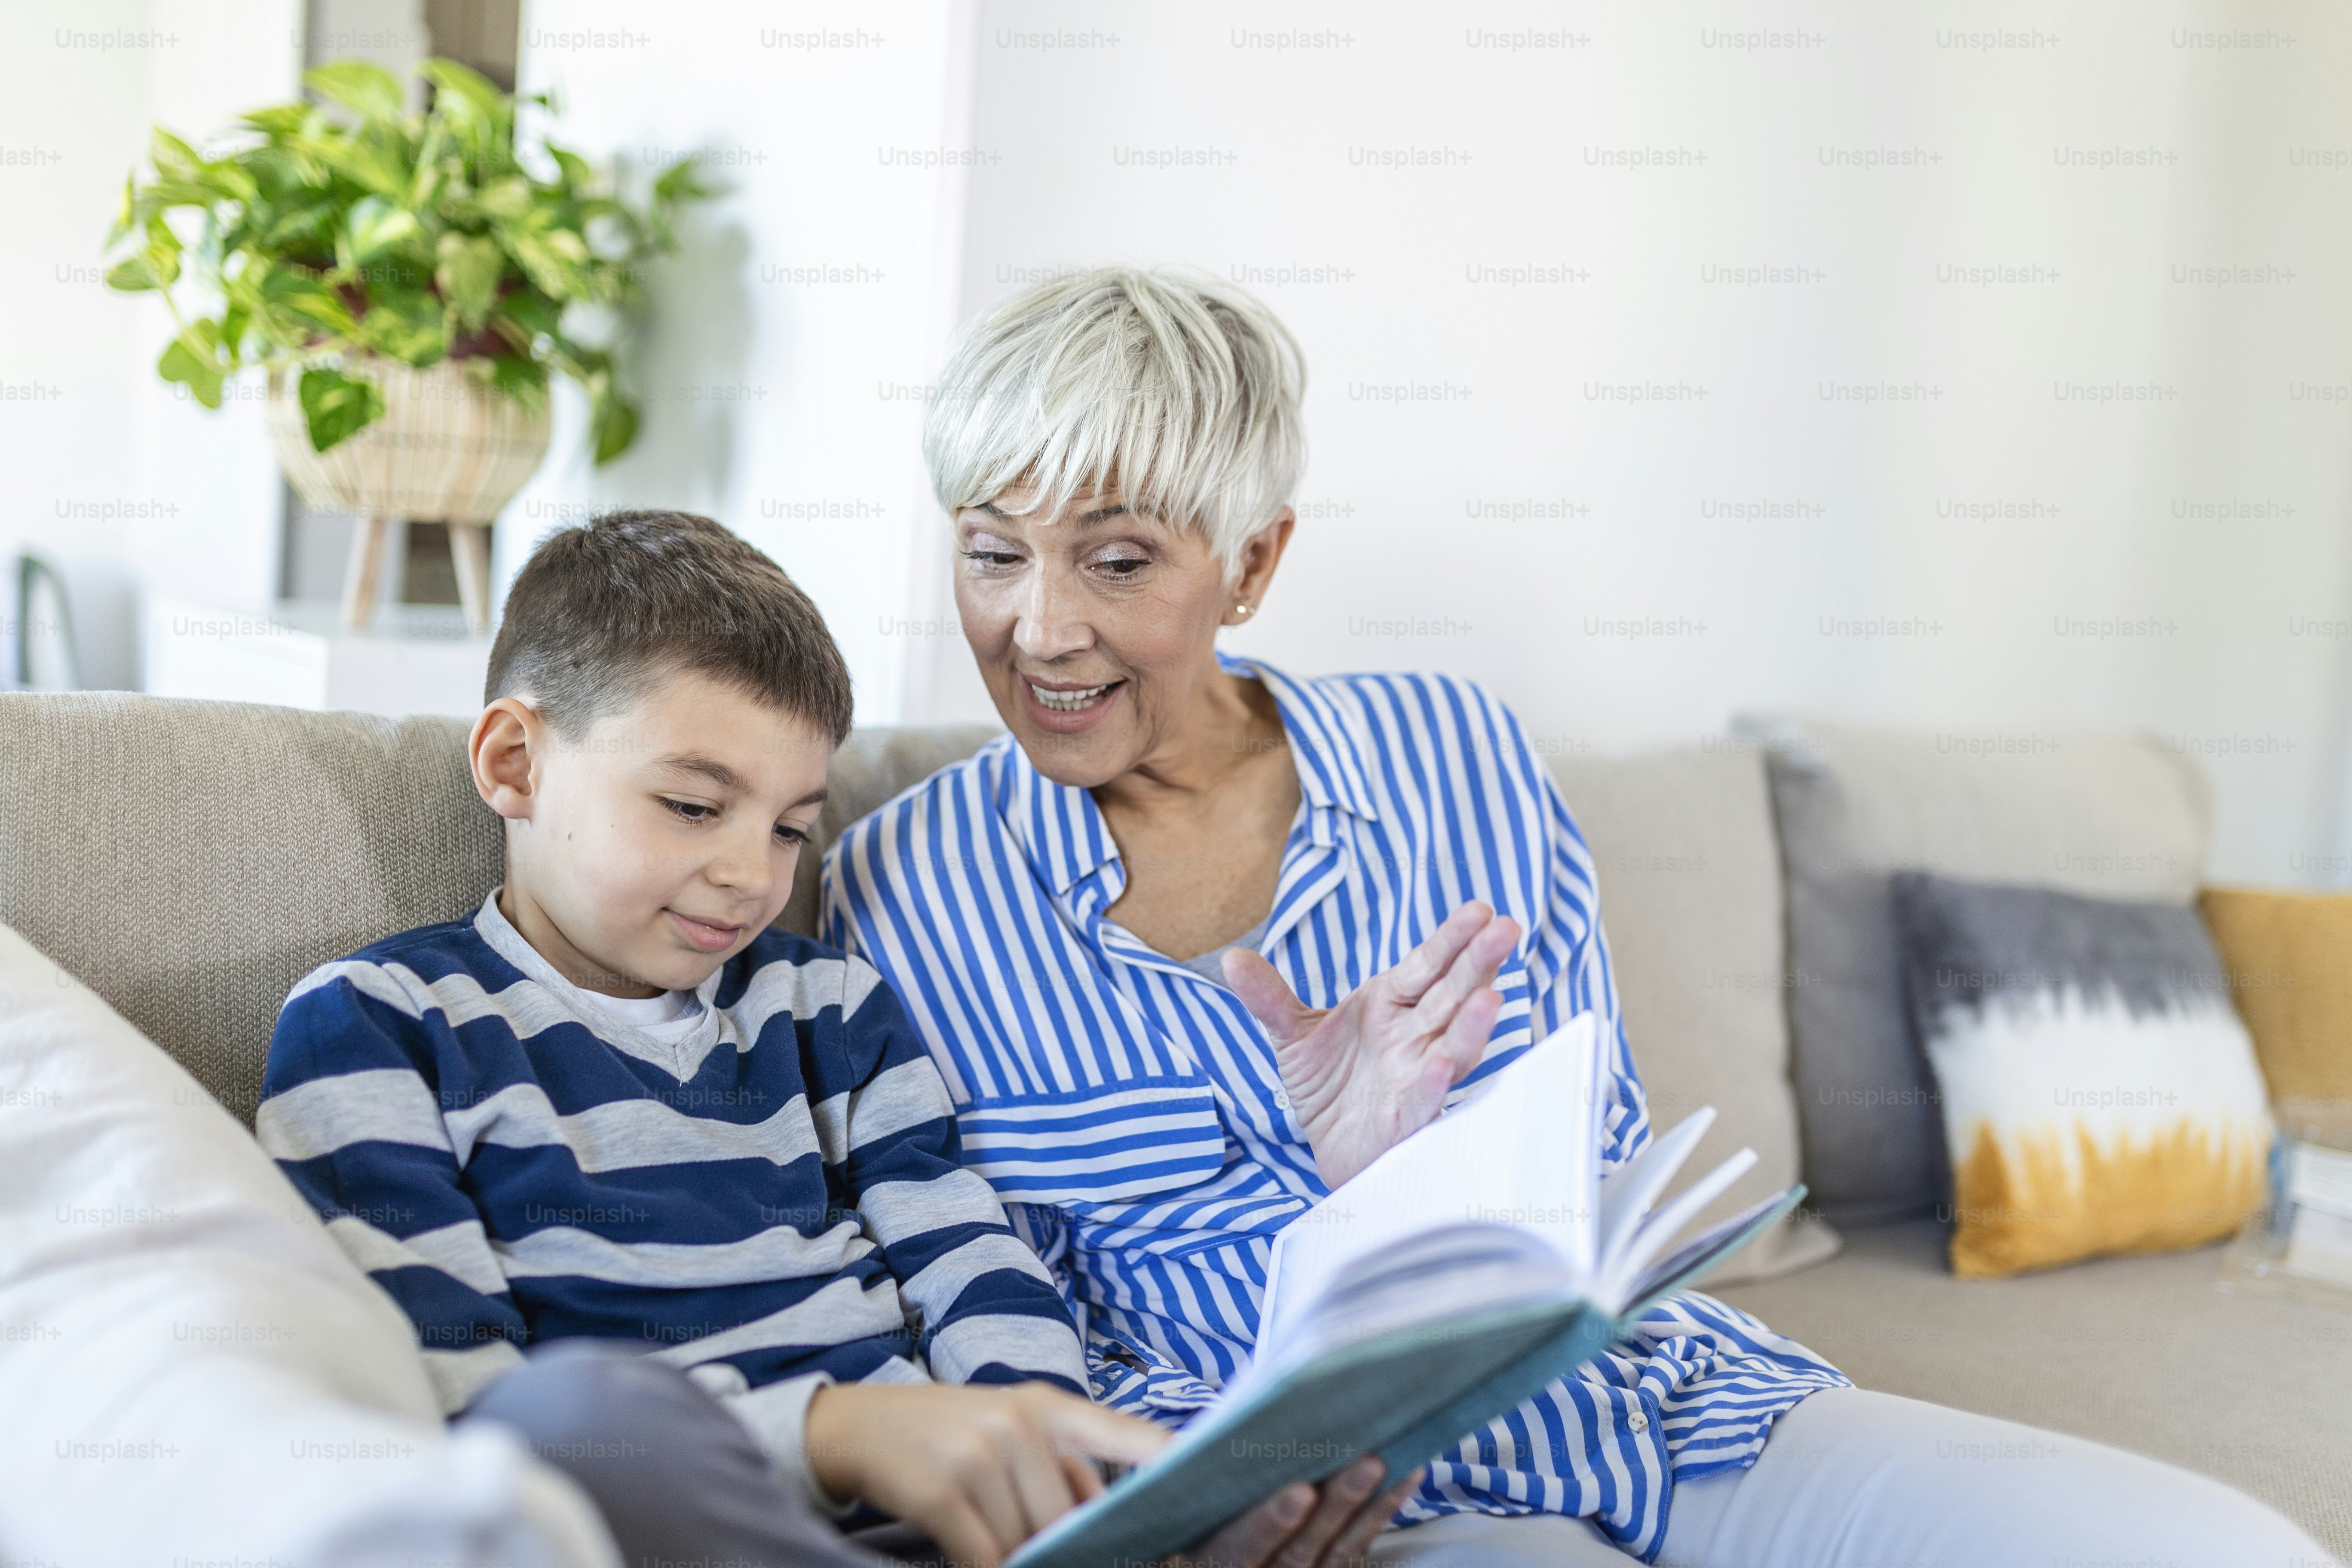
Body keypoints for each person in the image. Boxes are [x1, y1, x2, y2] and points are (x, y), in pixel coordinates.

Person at [823, 267, 2340, 1567]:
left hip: (1666, 1408)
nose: (1042, 629)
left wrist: (1385, 1181)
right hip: (1320, 1518)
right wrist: (1178, 1501)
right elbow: (979, 1318)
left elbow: (1599, 1167)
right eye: (993, 551)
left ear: (1256, 564)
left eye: (1119, 558)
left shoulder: (1454, 754)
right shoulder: (898, 892)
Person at [257, 511, 1415, 1568]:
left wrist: (1067, 1479)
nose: (748, 876)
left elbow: (970, 1262)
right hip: (671, 1515)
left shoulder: (825, 1009)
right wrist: (836, 1433)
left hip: (944, 1533)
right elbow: (446, 1402)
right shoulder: (378, 1025)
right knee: (562, 1421)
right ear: (514, 762)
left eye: (790, 830)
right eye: (695, 806)